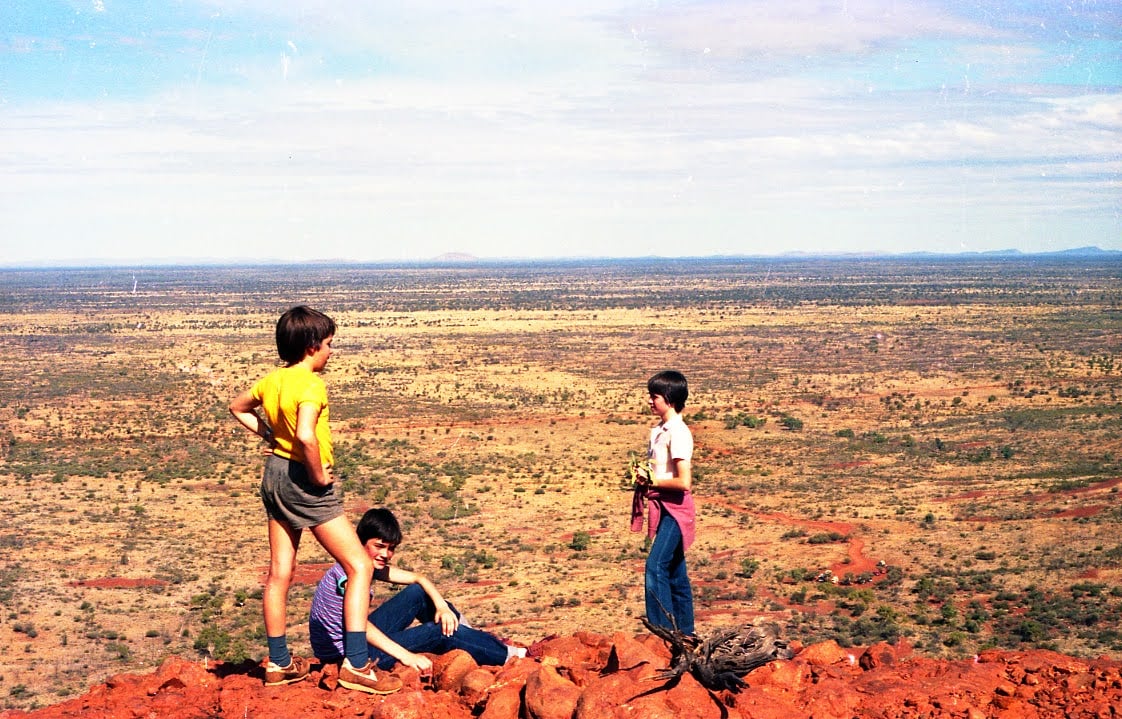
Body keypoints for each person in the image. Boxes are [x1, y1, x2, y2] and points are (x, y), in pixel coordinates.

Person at [229, 306, 401, 694]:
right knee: (359, 566)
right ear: (311, 347)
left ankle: (278, 662)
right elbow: (307, 435)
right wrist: (319, 474)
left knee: (279, 571)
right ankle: (356, 665)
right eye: (328, 344)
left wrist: (271, 438)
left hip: (274, 473)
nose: (331, 351)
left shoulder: (272, 380)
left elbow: (237, 407)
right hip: (305, 481)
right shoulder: (310, 384)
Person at [310, 508, 525, 672]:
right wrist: (406, 656)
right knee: (439, 632)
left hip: (354, 639)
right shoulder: (350, 575)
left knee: (417, 593)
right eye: (379, 546)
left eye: (391, 548)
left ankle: (466, 633)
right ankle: (512, 656)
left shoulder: (360, 564)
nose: (386, 554)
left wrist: (442, 606)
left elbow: (418, 579)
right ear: (360, 542)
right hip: (348, 655)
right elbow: (359, 626)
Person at [630, 370, 696, 635]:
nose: (649, 401)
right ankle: (686, 633)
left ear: (668, 398)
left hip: (676, 510)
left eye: (654, 396)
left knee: (655, 566)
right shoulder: (659, 431)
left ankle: (664, 632)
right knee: (675, 574)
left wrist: (651, 480)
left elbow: (684, 482)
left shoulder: (678, 433)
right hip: (665, 507)